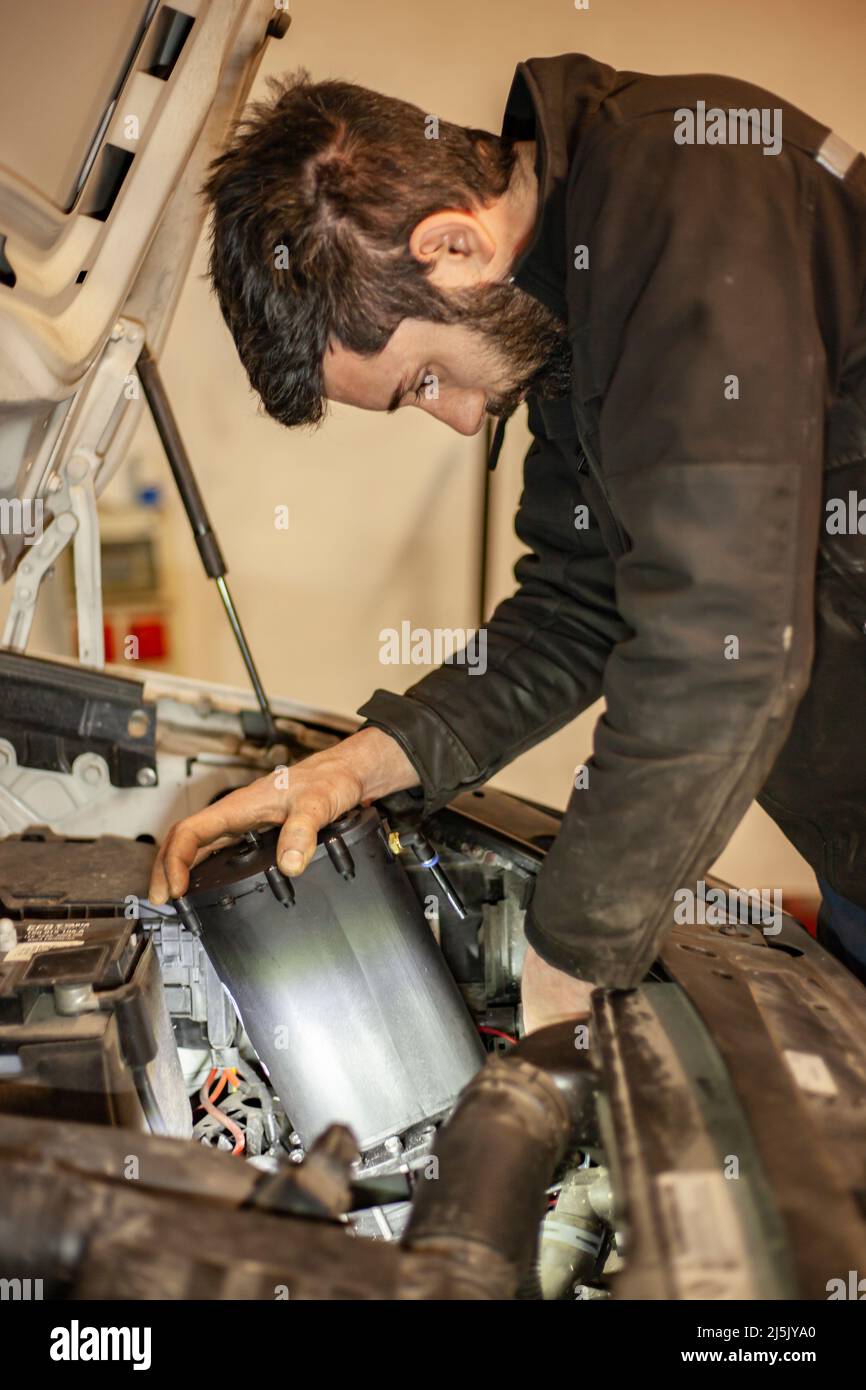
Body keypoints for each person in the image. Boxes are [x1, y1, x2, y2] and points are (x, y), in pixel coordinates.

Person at [148, 55, 866, 1024]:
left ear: (449, 242)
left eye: (422, 380)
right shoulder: (573, 296)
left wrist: (566, 959)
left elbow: (718, 652)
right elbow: (575, 603)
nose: (453, 419)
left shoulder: (687, 201)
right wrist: (357, 763)